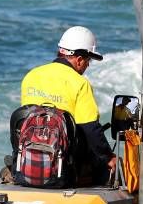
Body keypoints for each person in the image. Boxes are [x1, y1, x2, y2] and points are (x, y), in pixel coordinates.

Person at [20, 26, 116, 183]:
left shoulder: (32, 75)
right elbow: (90, 129)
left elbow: (23, 120)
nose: (87, 65)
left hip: (29, 158)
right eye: (88, 61)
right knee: (104, 167)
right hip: (65, 166)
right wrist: (108, 157)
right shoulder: (80, 83)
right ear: (79, 60)